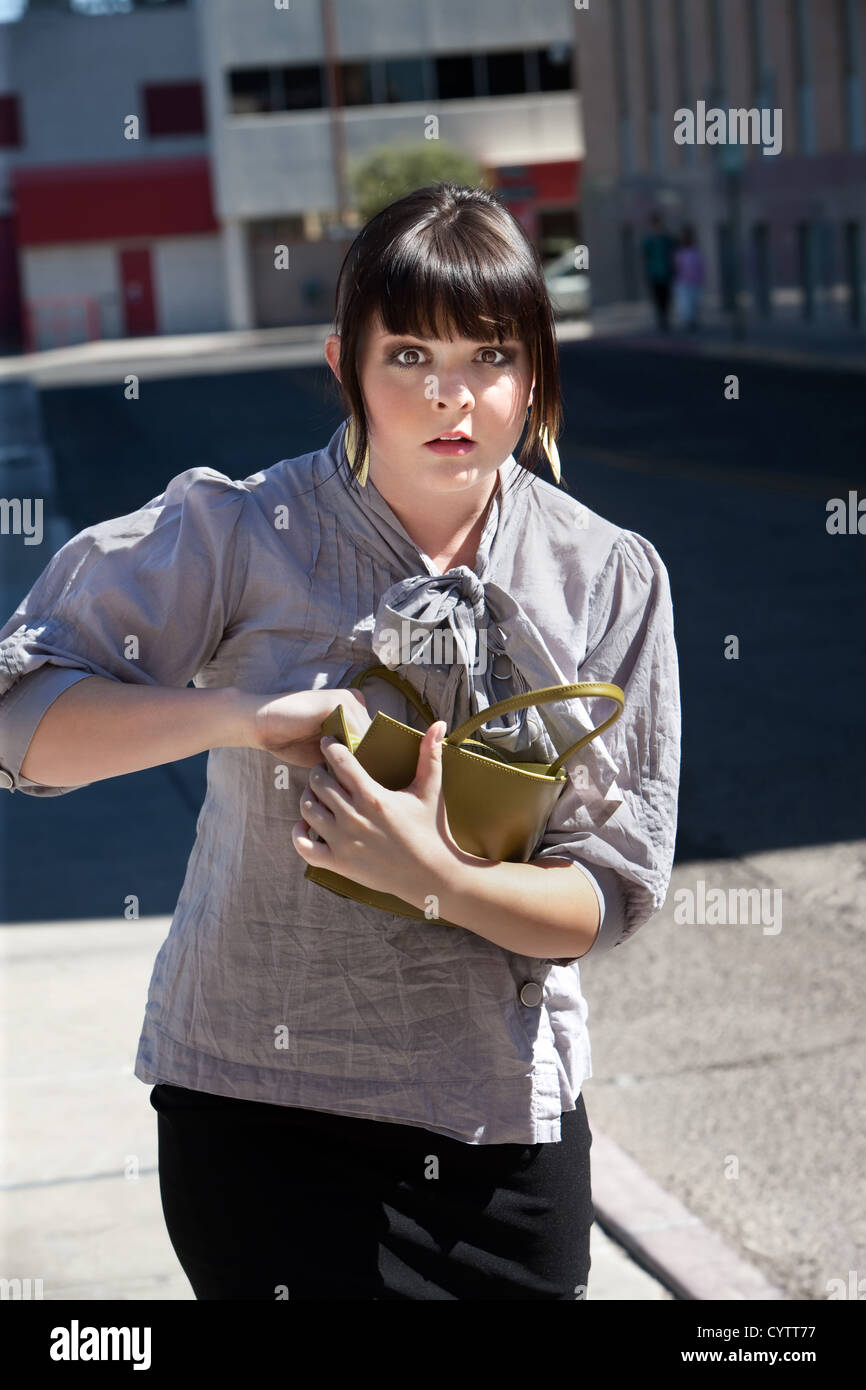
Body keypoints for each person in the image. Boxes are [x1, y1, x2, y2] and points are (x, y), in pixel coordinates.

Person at [0, 182, 681, 1301]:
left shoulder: (605, 575)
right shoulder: (237, 531)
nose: (450, 395)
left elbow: (610, 892)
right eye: (408, 353)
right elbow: (23, 723)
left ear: (536, 370)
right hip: (257, 1119)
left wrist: (431, 879)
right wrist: (241, 716)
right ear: (342, 361)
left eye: (490, 355)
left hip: (494, 1125)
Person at [641, 212, 678, 332]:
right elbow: (644, 254)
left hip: (666, 273)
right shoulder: (650, 239)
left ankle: (665, 317)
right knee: (658, 297)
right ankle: (661, 318)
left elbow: (673, 248)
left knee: (666, 296)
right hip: (655, 273)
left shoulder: (665, 238)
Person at [673, 224, 706, 332]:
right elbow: (676, 268)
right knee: (686, 305)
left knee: (695, 303)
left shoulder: (695, 252)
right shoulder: (679, 253)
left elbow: (701, 267)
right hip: (684, 282)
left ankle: (693, 321)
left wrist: (701, 278)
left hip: (695, 281)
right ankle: (689, 322)